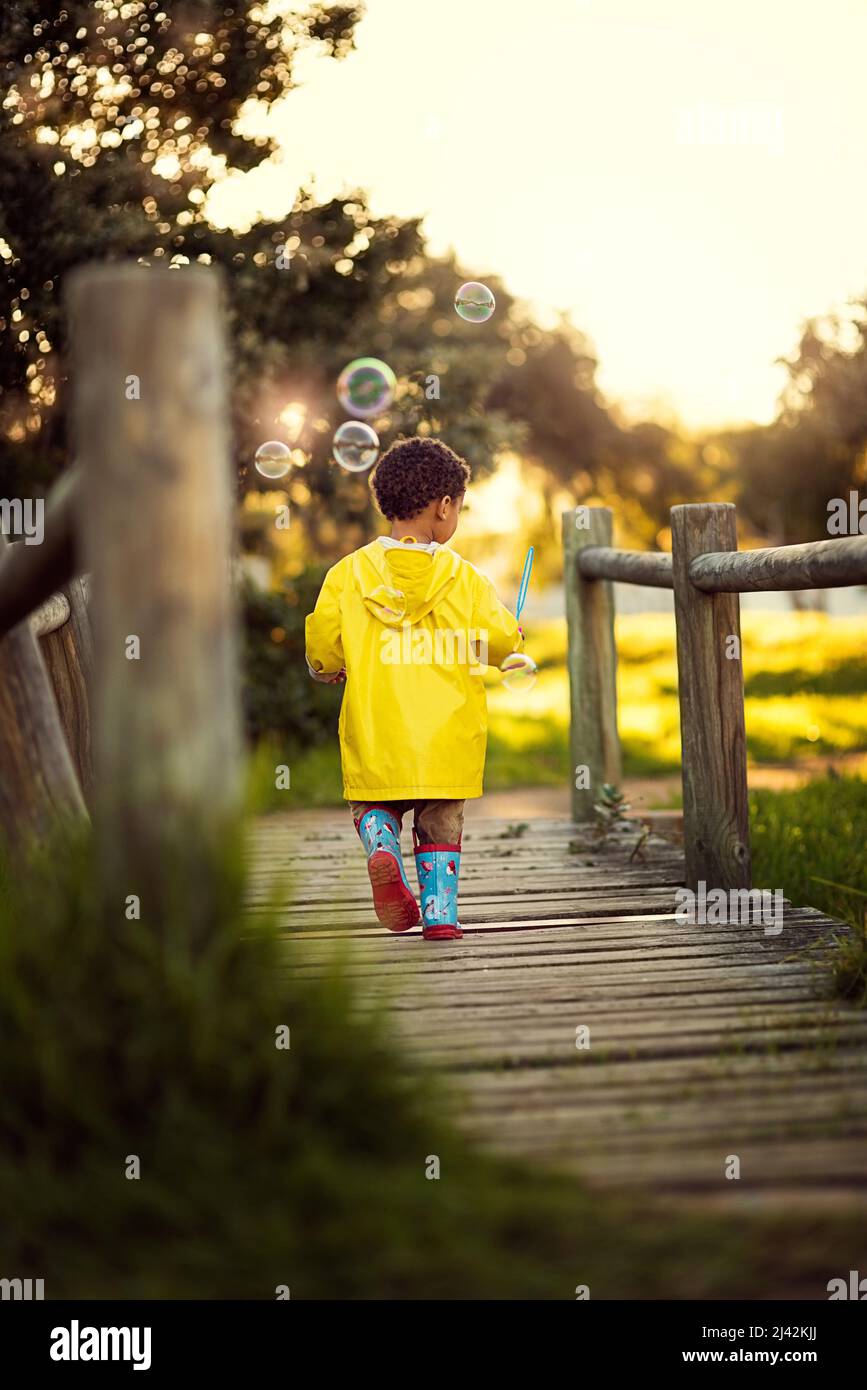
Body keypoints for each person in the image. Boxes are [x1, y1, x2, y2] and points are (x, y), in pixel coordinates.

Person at [305, 436, 523, 941]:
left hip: (378, 731)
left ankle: (382, 844)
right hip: (446, 742)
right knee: (441, 824)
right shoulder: (465, 579)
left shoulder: (348, 574)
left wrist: (329, 667)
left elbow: (323, 648)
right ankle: (441, 915)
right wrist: (513, 636)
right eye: (459, 509)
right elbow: (495, 643)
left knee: (375, 803)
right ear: (445, 506)